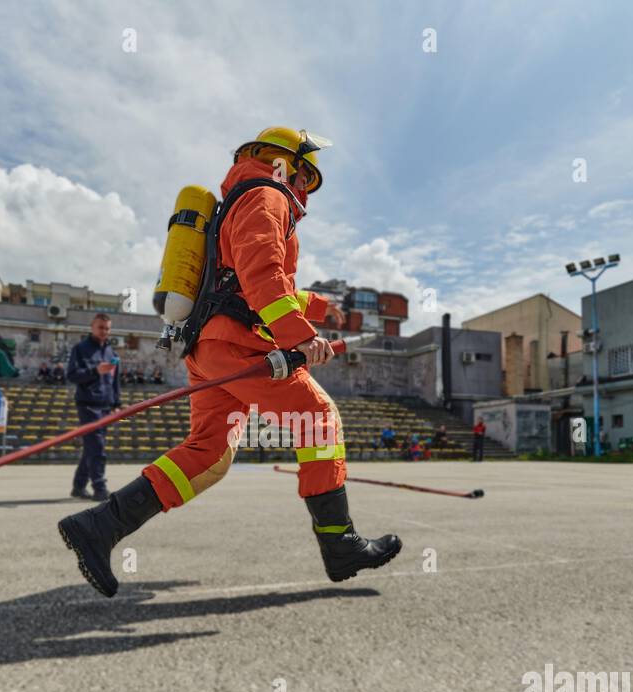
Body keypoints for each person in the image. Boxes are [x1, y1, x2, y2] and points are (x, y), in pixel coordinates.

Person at [58, 127, 399, 597]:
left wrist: (318, 306)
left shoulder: (239, 199)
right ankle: (340, 545)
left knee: (208, 455)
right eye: (304, 178)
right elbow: (263, 276)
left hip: (209, 348)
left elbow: (245, 281)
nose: (304, 192)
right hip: (239, 343)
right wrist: (303, 337)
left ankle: (100, 526)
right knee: (318, 420)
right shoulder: (267, 194)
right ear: (283, 163)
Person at [65, 314, 120, 500]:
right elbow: (72, 375)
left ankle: (78, 487)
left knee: (91, 448)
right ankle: (100, 488)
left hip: (105, 405)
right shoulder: (80, 349)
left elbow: (115, 381)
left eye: (107, 328)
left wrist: (116, 403)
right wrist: (94, 371)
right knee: (97, 447)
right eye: (100, 327)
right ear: (92, 327)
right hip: (87, 405)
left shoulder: (112, 352)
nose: (104, 331)